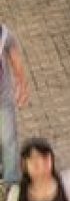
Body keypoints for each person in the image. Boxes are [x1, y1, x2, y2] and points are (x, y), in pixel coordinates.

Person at [0, 21, 29, 186]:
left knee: (8, 137)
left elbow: (15, 58)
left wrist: (22, 84)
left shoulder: (4, 35)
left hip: (3, 98)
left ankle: (11, 180)